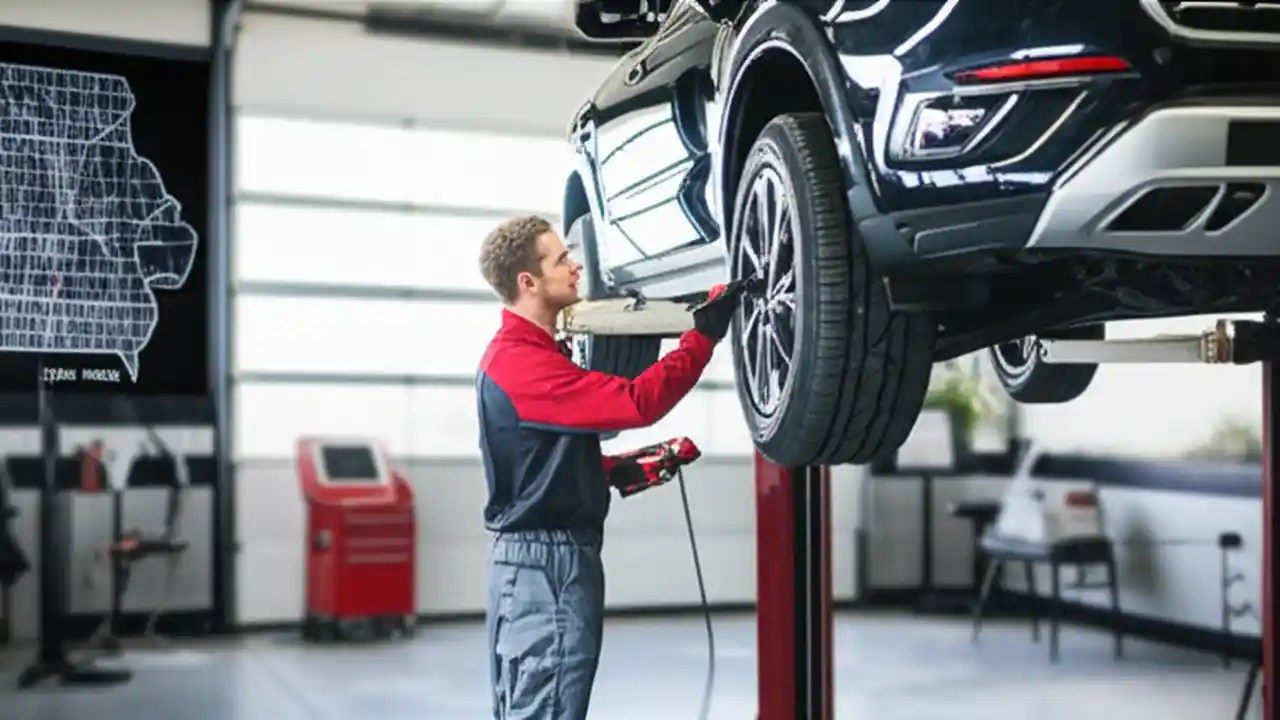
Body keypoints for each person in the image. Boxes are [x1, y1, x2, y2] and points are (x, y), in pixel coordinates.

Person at [475, 214, 740, 720]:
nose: (577, 266)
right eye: (560, 259)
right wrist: (700, 338)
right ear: (528, 282)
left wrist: (615, 470)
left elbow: (536, 461)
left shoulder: (526, 354)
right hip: (546, 567)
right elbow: (636, 402)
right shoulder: (521, 363)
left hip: (539, 561)